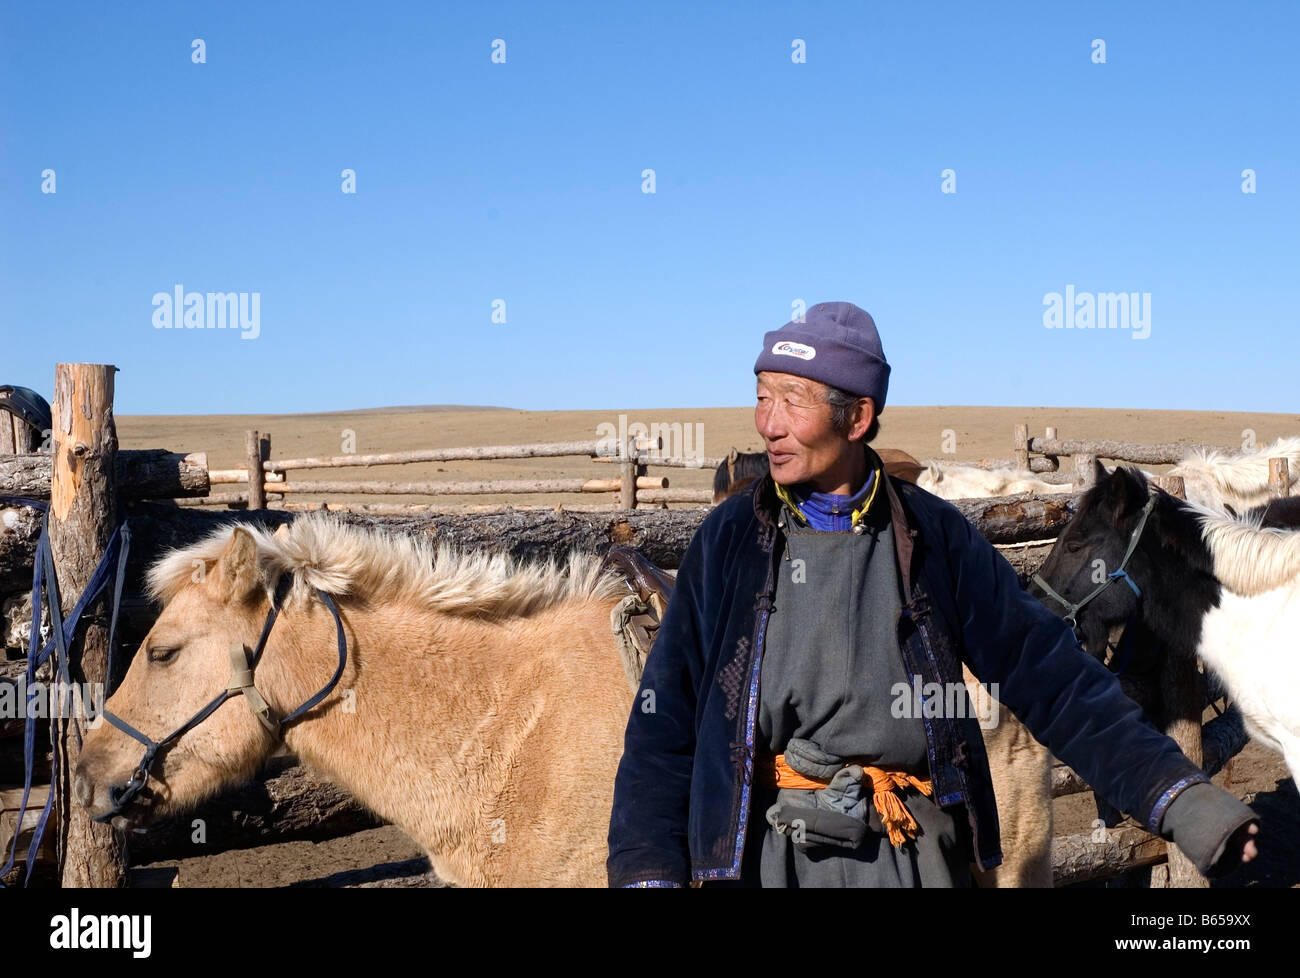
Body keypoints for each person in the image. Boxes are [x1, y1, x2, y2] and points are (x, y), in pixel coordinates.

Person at [606, 301, 1260, 888]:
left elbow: (1052, 679)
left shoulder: (931, 537)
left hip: (912, 858)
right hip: (765, 858)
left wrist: (1181, 798)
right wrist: (646, 872)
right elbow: (665, 723)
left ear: (857, 416)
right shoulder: (729, 541)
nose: (768, 424)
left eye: (793, 400)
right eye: (762, 396)